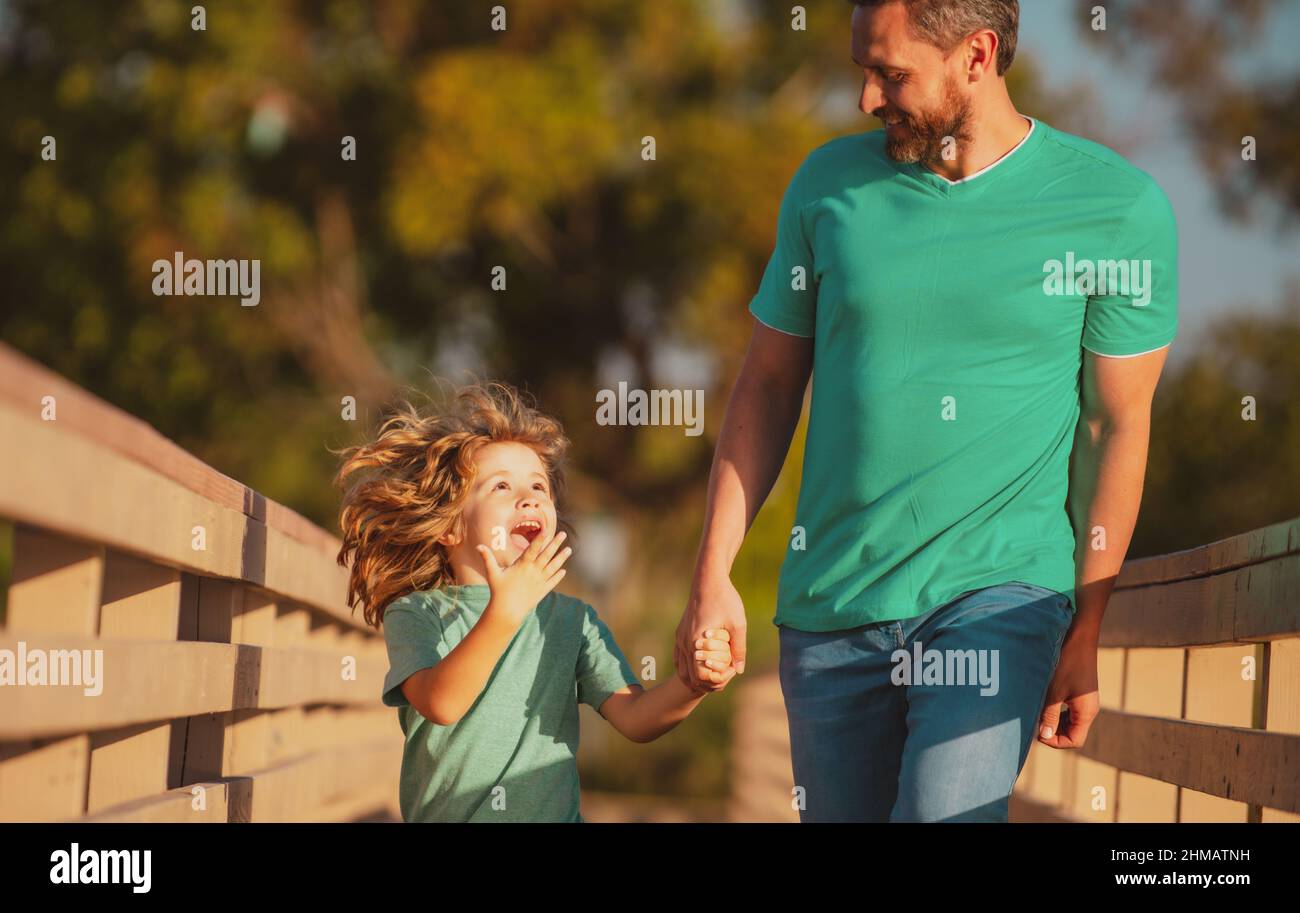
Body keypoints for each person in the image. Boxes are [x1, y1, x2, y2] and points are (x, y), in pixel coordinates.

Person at [675, 0, 1177, 822]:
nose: (868, 99)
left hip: (998, 600)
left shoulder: (1115, 212)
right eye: (863, 71)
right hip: (831, 612)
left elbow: (1114, 424)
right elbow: (766, 385)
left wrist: (1085, 628)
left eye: (891, 73)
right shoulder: (826, 188)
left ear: (977, 56)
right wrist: (713, 572)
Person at [337, 381, 734, 821]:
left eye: (539, 487)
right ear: (448, 528)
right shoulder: (417, 612)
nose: (528, 497)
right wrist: (505, 612)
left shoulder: (573, 621)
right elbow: (441, 704)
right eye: (501, 487)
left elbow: (636, 718)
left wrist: (692, 685)